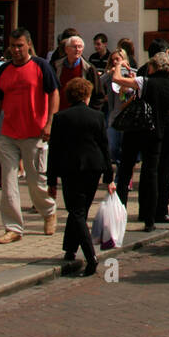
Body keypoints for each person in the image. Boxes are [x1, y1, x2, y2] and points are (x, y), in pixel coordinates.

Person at [0, 29, 59, 243]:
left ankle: (49, 211)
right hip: (8, 134)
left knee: (36, 183)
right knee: (7, 182)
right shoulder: (4, 70)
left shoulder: (41, 66)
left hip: (35, 133)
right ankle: (13, 228)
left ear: (28, 45)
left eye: (20, 46)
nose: (15, 50)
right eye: (12, 46)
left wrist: (50, 123)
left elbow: (54, 93)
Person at [47, 78, 116, 277]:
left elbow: (55, 150)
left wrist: (51, 179)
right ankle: (70, 248)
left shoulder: (61, 117)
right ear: (87, 95)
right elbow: (104, 146)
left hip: (71, 168)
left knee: (76, 211)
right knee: (81, 210)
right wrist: (109, 176)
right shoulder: (96, 117)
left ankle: (90, 256)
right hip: (93, 167)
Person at [112, 52, 169, 231]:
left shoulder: (146, 81)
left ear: (154, 67)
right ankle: (150, 220)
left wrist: (119, 65)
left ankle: (120, 213)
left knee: (126, 171)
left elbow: (117, 80)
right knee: (151, 173)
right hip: (156, 134)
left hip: (136, 130)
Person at [100, 47, 137, 166]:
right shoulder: (111, 75)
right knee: (112, 148)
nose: (115, 62)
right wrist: (108, 74)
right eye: (113, 60)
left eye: (118, 59)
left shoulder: (132, 73)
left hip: (128, 117)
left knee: (124, 150)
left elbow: (134, 92)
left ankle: (122, 177)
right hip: (114, 115)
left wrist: (131, 79)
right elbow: (98, 83)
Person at [53, 35, 102, 108]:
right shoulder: (56, 66)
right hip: (59, 111)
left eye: (80, 47)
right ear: (66, 49)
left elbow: (98, 94)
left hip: (81, 114)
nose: (77, 49)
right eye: (74, 47)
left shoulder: (89, 69)